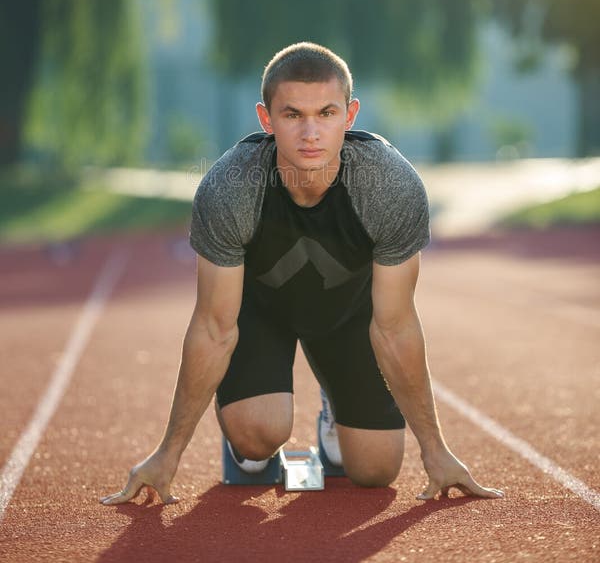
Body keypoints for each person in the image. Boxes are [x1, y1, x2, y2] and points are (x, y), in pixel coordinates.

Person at [101, 42, 503, 505]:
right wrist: (167, 454)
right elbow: (214, 327)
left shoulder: (389, 186)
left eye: (326, 113)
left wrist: (435, 450)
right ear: (266, 119)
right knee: (258, 436)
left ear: (350, 115)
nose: (311, 133)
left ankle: (334, 408)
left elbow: (395, 327)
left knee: (376, 471)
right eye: (292, 115)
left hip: (346, 316)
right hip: (260, 314)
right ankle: (246, 439)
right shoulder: (231, 188)